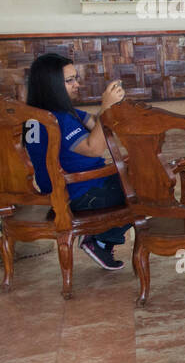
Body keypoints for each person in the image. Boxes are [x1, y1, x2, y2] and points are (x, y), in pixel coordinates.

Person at [20, 54, 130, 269]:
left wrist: (108, 107)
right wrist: (106, 107)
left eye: (75, 78)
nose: (77, 84)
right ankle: (100, 240)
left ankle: (100, 238)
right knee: (149, 188)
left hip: (64, 189)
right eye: (69, 80)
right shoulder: (58, 119)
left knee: (140, 175)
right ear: (51, 84)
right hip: (80, 193)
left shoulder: (47, 114)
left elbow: (96, 124)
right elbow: (96, 147)